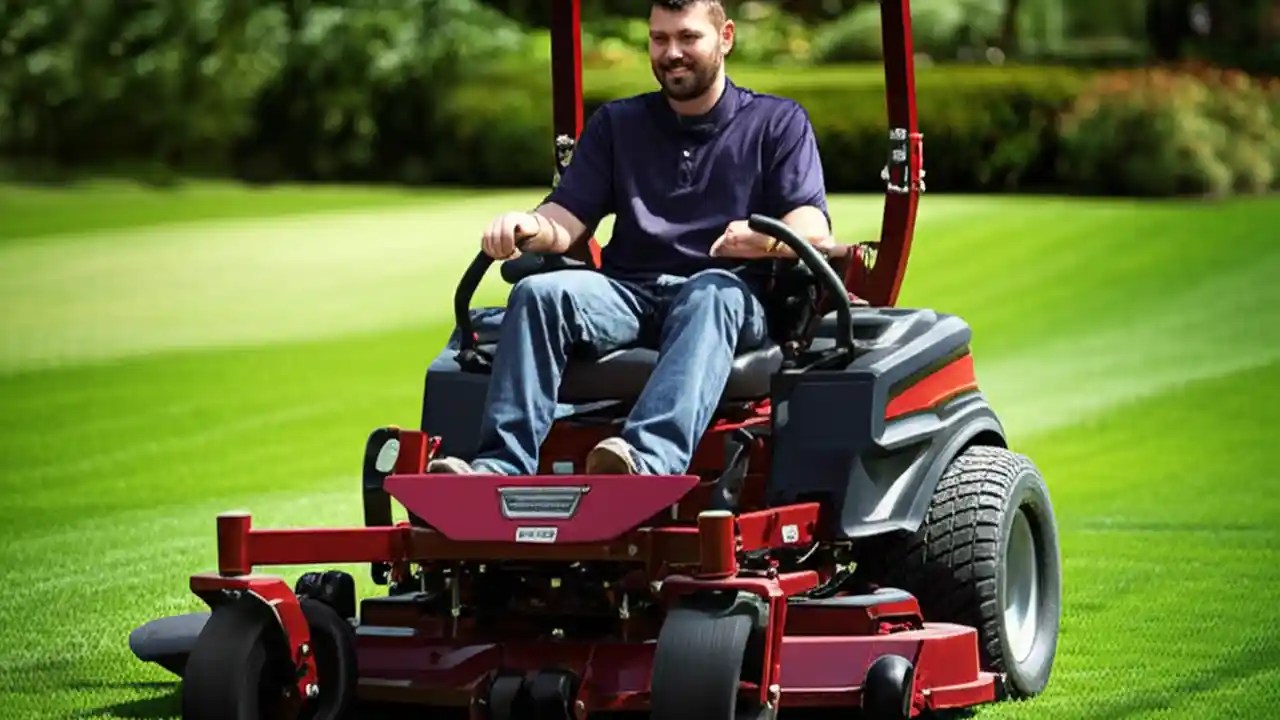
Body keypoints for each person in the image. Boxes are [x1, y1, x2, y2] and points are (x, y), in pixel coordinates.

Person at [428, 0, 837, 477]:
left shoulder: (777, 122)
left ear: (725, 37)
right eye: (659, 39)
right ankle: (501, 465)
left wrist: (760, 241)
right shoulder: (618, 124)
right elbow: (568, 216)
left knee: (710, 294)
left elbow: (813, 229)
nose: (672, 53)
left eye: (688, 38)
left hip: (725, 296)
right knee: (538, 292)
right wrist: (530, 226)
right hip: (628, 294)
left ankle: (645, 459)